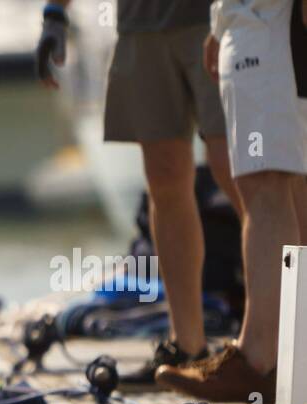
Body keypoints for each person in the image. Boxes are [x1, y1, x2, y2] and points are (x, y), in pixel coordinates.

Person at [38, 0, 244, 384]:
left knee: (241, 175)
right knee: (164, 180)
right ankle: (188, 347)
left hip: (219, 18)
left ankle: (269, 350)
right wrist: (55, 14)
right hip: (141, 25)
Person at [156, 0, 307, 402]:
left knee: (266, 184)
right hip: (257, 23)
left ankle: (260, 359)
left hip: (265, 24)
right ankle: (290, 356)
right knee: (289, 185)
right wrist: (221, 25)